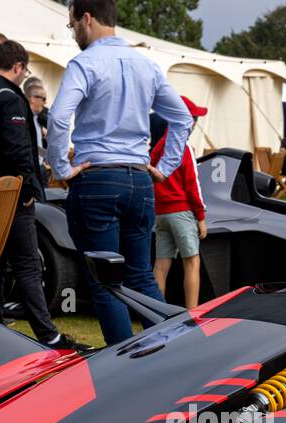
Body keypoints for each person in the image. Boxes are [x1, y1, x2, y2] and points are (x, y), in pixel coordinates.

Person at [46, 0, 193, 345]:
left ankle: (125, 364)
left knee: (104, 282)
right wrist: (165, 167)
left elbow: (57, 118)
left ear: (87, 18)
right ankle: (176, 349)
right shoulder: (147, 65)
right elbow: (182, 118)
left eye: (72, 26)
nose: (74, 34)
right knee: (141, 276)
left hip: (97, 178)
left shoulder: (84, 63)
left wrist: (62, 168)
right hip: (139, 179)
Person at [0, 41, 81, 349]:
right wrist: (29, 190)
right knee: (27, 264)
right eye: (25, 70)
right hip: (9, 197)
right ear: (17, 67)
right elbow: (18, 151)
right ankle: (48, 334)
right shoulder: (10, 99)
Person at [151, 96, 208, 309]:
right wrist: (201, 217)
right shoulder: (184, 148)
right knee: (192, 262)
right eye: (194, 118)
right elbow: (193, 186)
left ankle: (156, 312)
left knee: (160, 267)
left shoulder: (158, 146)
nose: (195, 123)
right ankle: (192, 313)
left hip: (161, 212)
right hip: (182, 212)